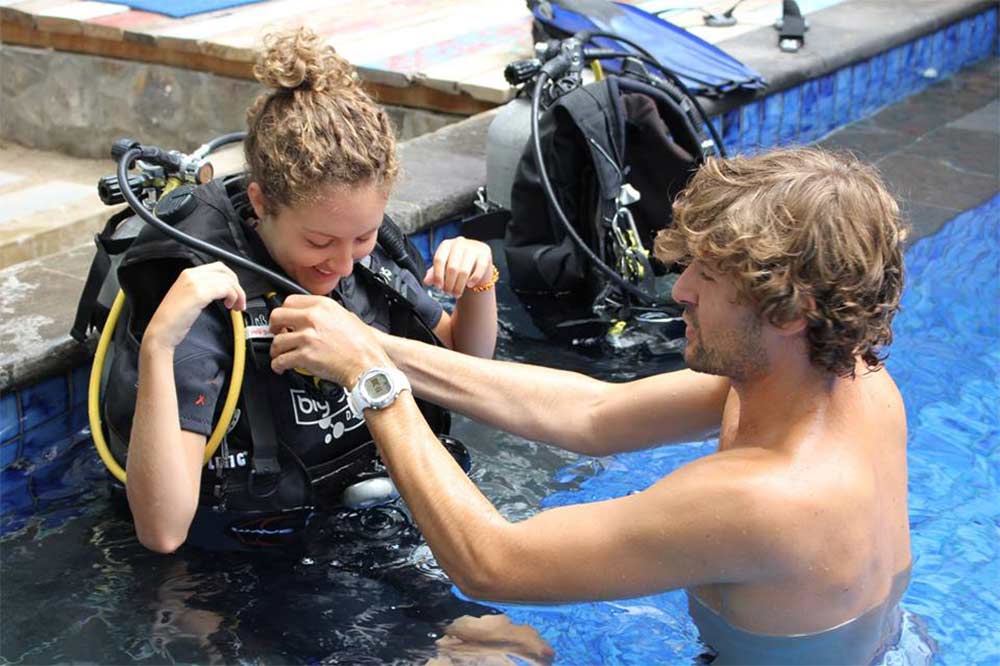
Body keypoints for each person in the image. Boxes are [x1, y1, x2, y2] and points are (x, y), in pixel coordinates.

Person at [265, 148, 911, 664]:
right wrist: (378, 344)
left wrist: (372, 381)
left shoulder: (764, 501)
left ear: (792, 311)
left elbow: (492, 563)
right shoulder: (849, 376)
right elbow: (596, 416)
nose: (678, 290)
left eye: (709, 278)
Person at [104, 27, 499, 554]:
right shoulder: (210, 294)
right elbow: (163, 531)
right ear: (261, 203)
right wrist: (158, 346)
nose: (340, 264)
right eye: (319, 242)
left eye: (362, 236)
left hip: (360, 511)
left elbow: (464, 366)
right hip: (258, 556)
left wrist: (480, 282)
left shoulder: (361, 251)